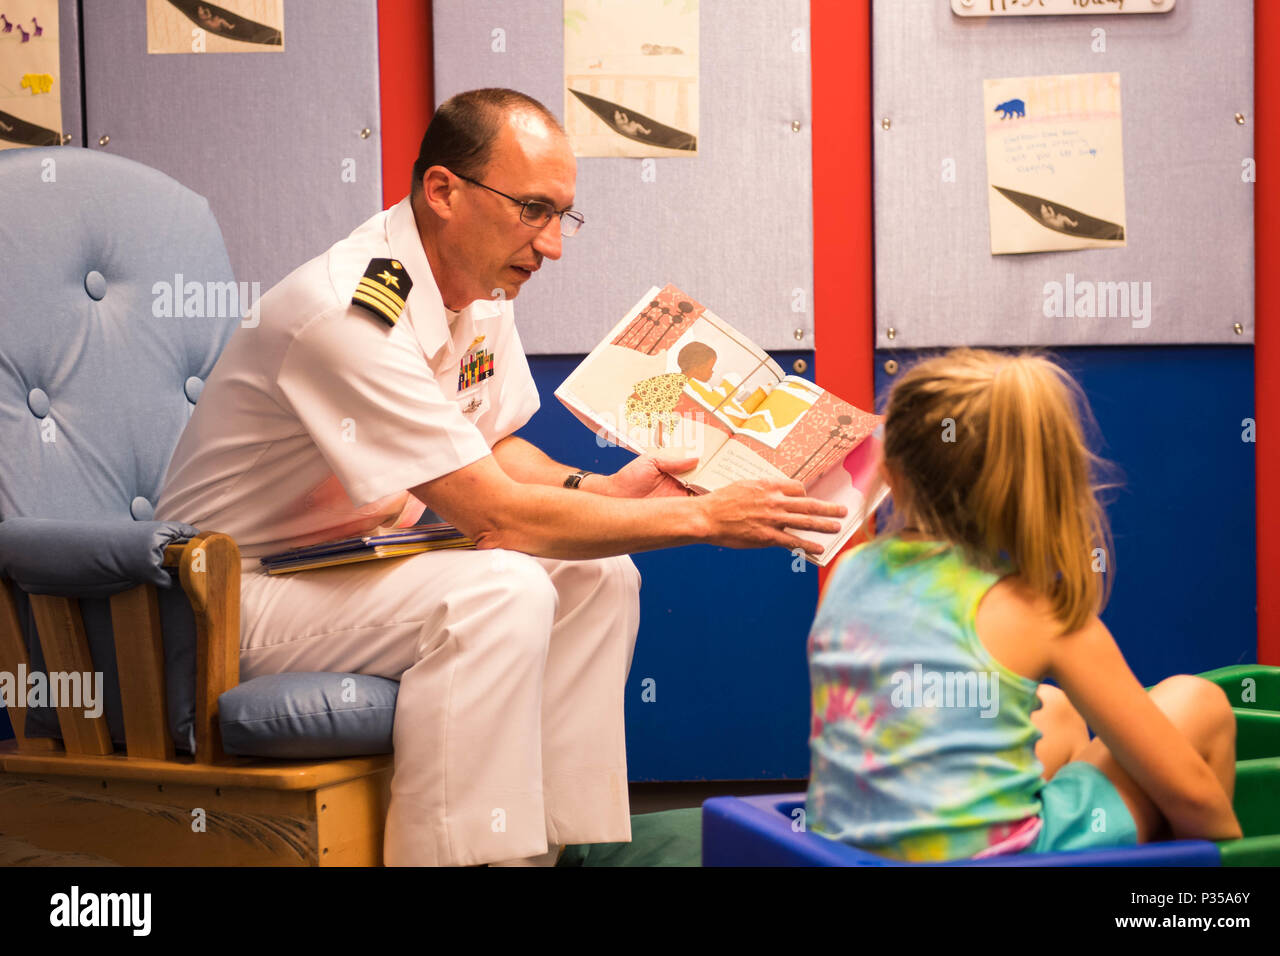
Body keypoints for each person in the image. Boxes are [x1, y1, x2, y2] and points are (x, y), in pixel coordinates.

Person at [154, 87, 846, 867]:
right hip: (225, 602)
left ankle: (555, 850)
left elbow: (494, 448)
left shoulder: (479, 289)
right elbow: (495, 517)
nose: (552, 245)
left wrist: (594, 490)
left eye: (561, 216)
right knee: (500, 589)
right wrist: (705, 521)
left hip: (344, 567)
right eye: (533, 211)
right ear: (443, 191)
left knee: (600, 577)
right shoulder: (349, 311)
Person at [805, 348, 1241, 862]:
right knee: (1199, 702)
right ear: (1030, 487)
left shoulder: (850, 572)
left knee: (1052, 712)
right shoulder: (1040, 612)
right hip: (994, 861)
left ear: (893, 475)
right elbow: (1190, 795)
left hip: (844, 854)